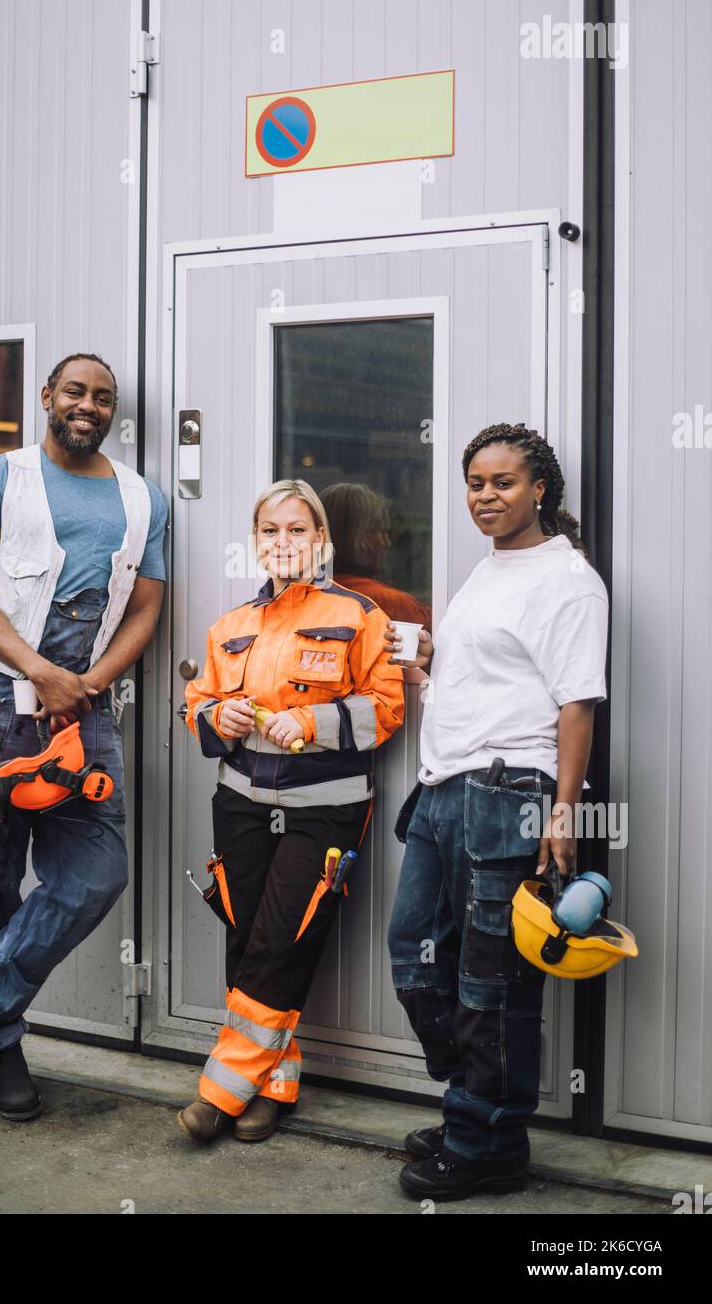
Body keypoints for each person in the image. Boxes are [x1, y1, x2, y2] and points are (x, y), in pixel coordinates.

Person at [0, 353, 167, 1120]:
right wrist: (38, 671)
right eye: (76, 392)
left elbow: (145, 610)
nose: (88, 405)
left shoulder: (141, 496)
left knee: (95, 874)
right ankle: (6, 1052)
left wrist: (84, 687)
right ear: (48, 397)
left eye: (103, 397)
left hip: (81, 716)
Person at [386, 423, 608, 1202]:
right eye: (476, 482)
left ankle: (489, 1141)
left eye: (504, 482)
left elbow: (576, 704)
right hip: (445, 788)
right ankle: (468, 1107)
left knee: (493, 983)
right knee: (415, 952)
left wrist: (562, 818)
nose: (486, 496)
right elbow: (491, 672)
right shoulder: (488, 569)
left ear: (539, 488)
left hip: (510, 793)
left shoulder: (568, 579)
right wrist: (429, 667)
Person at [180, 478, 405, 1143]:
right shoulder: (231, 627)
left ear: (322, 540)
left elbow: (385, 708)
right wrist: (218, 713)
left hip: (326, 810)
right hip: (240, 803)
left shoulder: (362, 616)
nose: (283, 542)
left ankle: (220, 1090)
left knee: (284, 936)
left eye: (297, 530)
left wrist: (313, 720)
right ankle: (270, 1087)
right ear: (256, 543)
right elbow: (197, 711)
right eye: (270, 531)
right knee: (248, 938)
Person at [320, 482, 432, 630]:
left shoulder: (303, 597)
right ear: (357, 537)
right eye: (381, 531)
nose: (387, 542)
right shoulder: (394, 604)